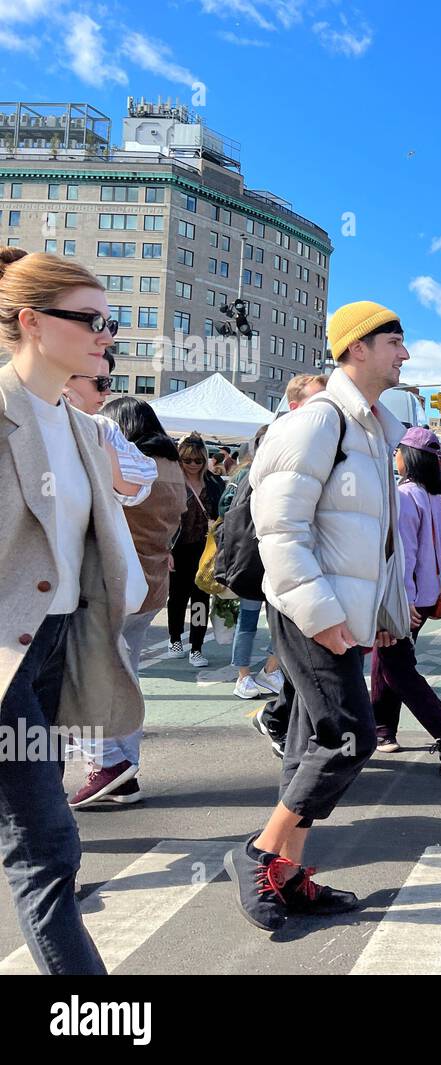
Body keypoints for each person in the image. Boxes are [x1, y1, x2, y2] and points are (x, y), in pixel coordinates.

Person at [224, 300, 411, 933]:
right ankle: (257, 854)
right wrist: (320, 612)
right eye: (394, 341)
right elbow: (280, 528)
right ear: (357, 347)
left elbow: (374, 538)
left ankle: (288, 874)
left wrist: (382, 612)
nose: (404, 355)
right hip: (311, 611)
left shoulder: (369, 429)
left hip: (342, 613)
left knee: (310, 743)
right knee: (350, 737)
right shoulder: (317, 423)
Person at [0, 248, 146, 973]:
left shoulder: (89, 429)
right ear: (30, 321)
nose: (105, 333)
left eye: (108, 320)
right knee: (47, 845)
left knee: (39, 835)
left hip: (62, 645)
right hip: (5, 657)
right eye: (88, 319)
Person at [70, 396, 187, 808]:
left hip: (112, 582)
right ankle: (124, 770)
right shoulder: (172, 466)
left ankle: (108, 764)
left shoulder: (127, 463)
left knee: (84, 676)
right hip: (152, 584)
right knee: (127, 676)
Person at [369, 427, 441, 775]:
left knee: (397, 665)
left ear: (408, 456)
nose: (394, 457)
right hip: (426, 596)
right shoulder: (437, 500)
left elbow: (403, 555)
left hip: (405, 597)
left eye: (397, 451)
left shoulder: (404, 496)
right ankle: (382, 731)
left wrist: (401, 600)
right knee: (386, 660)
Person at [250, 372, 328, 752]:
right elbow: (281, 531)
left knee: (307, 675)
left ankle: (284, 725)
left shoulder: (322, 442)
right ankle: (282, 726)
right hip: (291, 584)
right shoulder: (287, 442)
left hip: (316, 580)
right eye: (319, 403)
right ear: (296, 407)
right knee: (310, 676)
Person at [223, 431, 285, 701]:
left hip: (265, 558)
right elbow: (228, 512)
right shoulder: (251, 475)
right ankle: (245, 676)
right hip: (255, 557)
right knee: (258, 621)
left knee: (283, 620)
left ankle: (264, 671)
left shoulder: (260, 473)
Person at [62, 346, 157, 506]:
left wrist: (82, 422)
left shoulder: (103, 427)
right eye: (101, 382)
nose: (107, 391)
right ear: (64, 379)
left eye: (108, 382)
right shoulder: (29, 418)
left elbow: (137, 487)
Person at [164, 433, 221, 667]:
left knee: (201, 598)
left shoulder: (215, 484)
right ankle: (175, 638)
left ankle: (196, 646)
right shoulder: (173, 482)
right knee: (176, 597)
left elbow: (224, 514)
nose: (194, 465)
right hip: (178, 547)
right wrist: (165, 549)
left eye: (198, 460)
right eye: (188, 460)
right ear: (180, 459)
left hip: (205, 549)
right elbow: (164, 517)